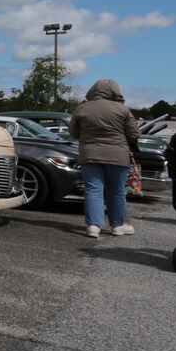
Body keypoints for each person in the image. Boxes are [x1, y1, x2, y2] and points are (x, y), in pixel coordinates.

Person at [69, 79, 140, 237]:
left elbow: (73, 132)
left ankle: (93, 226)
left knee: (93, 190)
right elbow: (134, 134)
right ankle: (117, 226)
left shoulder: (82, 108)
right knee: (116, 191)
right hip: (118, 155)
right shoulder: (122, 110)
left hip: (90, 154)